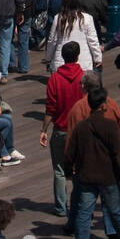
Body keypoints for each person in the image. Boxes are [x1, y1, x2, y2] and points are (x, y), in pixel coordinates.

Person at [64, 89, 120, 239]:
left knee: (84, 212)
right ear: (103, 105)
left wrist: (69, 172)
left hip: (86, 176)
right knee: (116, 210)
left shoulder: (81, 128)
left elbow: (70, 154)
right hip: (108, 176)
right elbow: (117, 154)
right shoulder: (110, 126)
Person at [39, 40, 84, 218]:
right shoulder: (84, 77)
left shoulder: (55, 79)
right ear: (78, 56)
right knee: (80, 169)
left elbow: (51, 108)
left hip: (61, 129)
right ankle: (79, 203)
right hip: (80, 131)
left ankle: (60, 207)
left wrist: (44, 129)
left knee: (59, 170)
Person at [46, 0, 102, 73]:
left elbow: (52, 41)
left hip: (61, 61)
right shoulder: (87, 18)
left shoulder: (58, 18)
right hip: (83, 62)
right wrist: (97, 58)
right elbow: (93, 41)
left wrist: (48, 57)